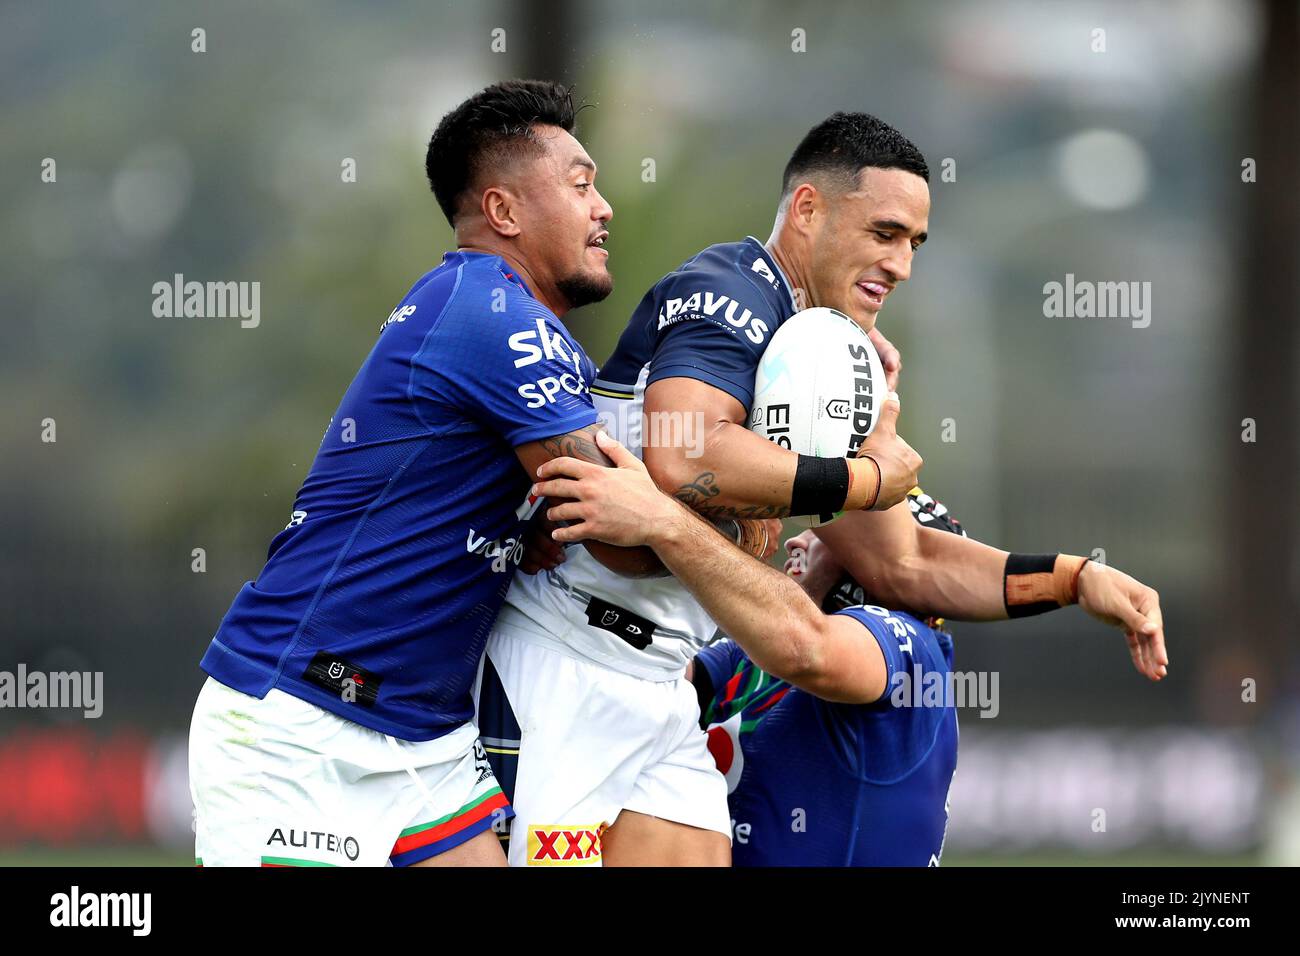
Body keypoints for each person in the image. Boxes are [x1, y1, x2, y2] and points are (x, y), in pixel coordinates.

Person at [189, 79, 643, 867]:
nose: (604, 206)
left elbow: (562, 517)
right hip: (303, 726)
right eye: (580, 184)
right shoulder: (497, 318)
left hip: (424, 740)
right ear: (504, 213)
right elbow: (623, 537)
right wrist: (822, 483)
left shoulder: (495, 313)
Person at [528, 431, 1170, 865]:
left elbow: (804, 646)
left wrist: (664, 523)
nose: (801, 538)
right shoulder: (749, 660)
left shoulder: (910, 650)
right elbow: (631, 684)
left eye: (832, 534)